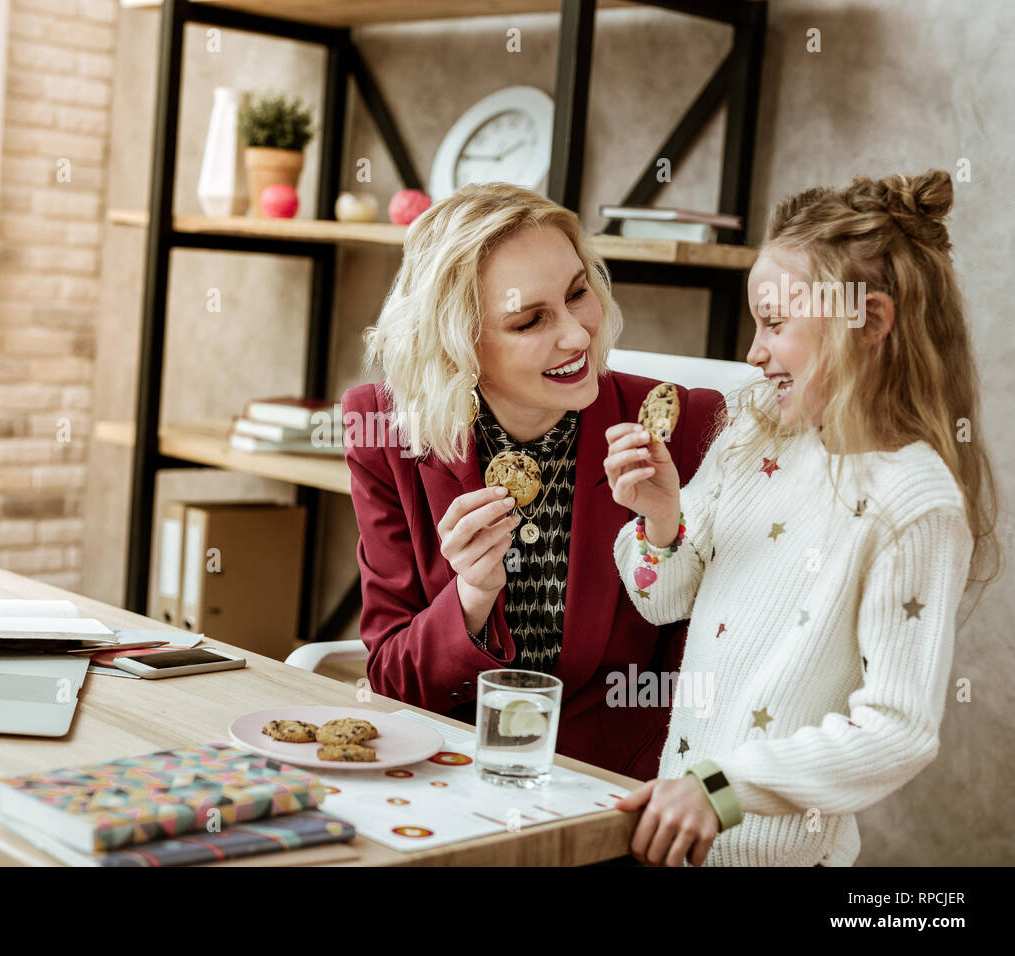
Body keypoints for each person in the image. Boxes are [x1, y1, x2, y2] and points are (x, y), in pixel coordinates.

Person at [607, 170, 1002, 866]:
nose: (754, 352)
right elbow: (659, 598)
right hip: (676, 842)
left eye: (775, 323)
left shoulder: (914, 503)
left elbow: (897, 730)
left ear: (869, 321)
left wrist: (723, 790)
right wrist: (662, 519)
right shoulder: (753, 430)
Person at [341, 181, 724, 780]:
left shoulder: (687, 425)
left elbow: (711, 666)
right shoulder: (388, 431)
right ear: (457, 343)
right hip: (445, 768)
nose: (576, 335)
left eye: (578, 294)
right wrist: (470, 597)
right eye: (529, 321)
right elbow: (393, 680)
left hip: (614, 786)